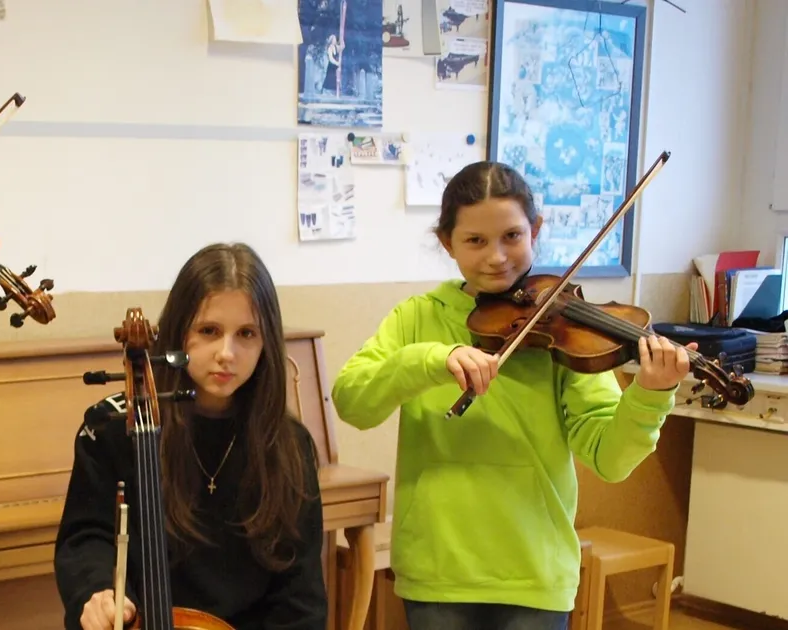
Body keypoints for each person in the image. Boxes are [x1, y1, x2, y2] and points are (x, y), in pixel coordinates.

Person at [330, 161, 694, 630]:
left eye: (512, 237)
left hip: (535, 572)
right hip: (438, 568)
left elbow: (610, 458)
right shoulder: (417, 318)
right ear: (447, 243)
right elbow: (353, 401)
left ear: (535, 230)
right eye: (475, 241)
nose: (497, 257)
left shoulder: (566, 325)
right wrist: (429, 361)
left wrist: (649, 395)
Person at [53, 243, 328, 630]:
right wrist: (97, 591)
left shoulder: (288, 446)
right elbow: (86, 536)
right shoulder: (114, 428)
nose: (227, 353)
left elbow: (301, 594)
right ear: (178, 331)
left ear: (267, 343)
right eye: (209, 331)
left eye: (247, 333)